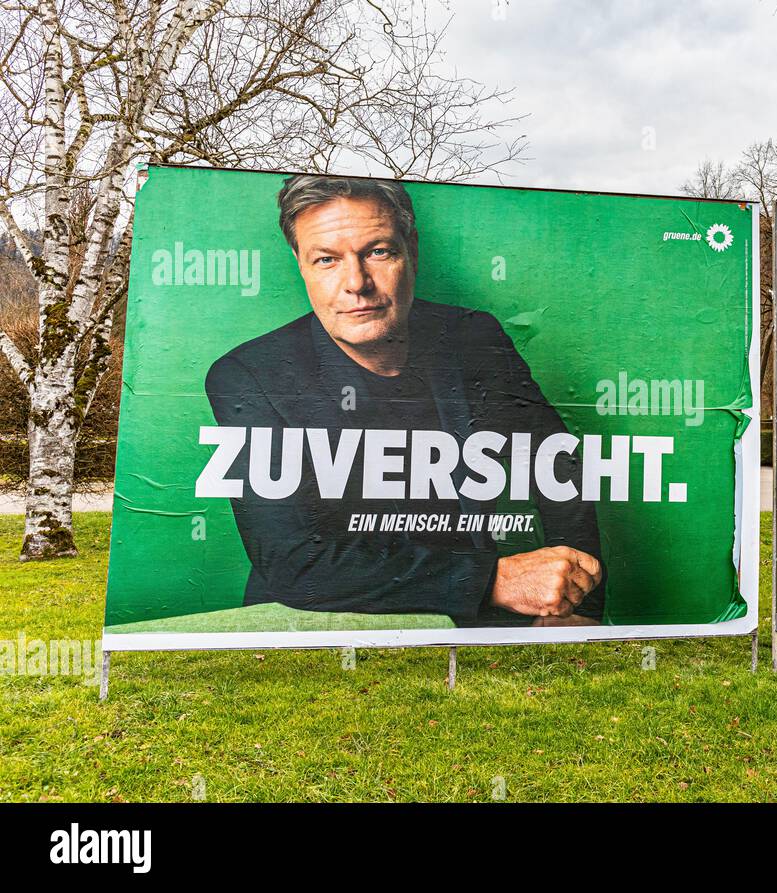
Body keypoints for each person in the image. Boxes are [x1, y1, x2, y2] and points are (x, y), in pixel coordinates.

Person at [204, 174, 605, 627]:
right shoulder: (247, 376)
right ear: (300, 264)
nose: (357, 283)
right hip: (318, 623)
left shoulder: (473, 337)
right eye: (327, 260)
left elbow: (561, 469)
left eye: (378, 252)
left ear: (411, 250)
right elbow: (295, 561)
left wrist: (576, 602)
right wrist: (494, 579)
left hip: (468, 616)